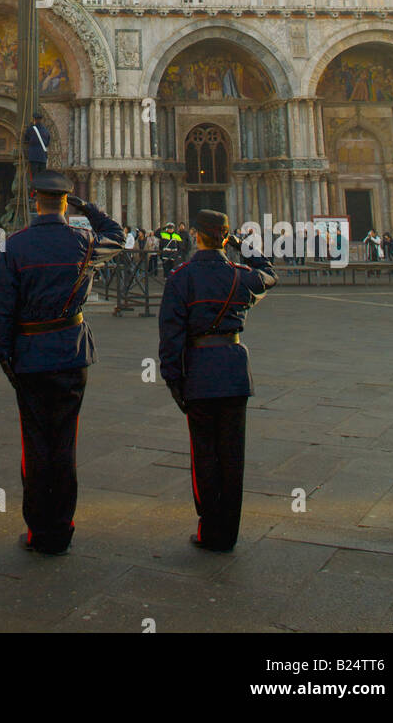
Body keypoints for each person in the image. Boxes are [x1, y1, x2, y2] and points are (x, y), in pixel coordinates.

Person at [0, 171, 124, 556]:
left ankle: (38, 531)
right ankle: (60, 529)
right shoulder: (84, 242)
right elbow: (118, 235)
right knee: (64, 444)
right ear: (66, 202)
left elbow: (2, 309)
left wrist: (4, 355)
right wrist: (89, 208)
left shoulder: (16, 246)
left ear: (34, 200)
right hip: (70, 353)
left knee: (35, 445)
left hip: (30, 356)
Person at [159, 209, 276, 553]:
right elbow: (269, 275)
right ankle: (229, 532)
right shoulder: (240, 276)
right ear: (226, 237)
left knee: (205, 455)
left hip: (198, 372)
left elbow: (170, 335)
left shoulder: (181, 277)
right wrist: (245, 249)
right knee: (232, 454)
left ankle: (210, 529)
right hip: (234, 372)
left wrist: (172, 379)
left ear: (195, 235)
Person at [23, 113, 50, 184]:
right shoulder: (46, 131)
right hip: (43, 158)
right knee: (42, 177)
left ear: (34, 120)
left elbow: (26, 138)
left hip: (34, 157)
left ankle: (35, 191)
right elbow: (47, 143)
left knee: (34, 177)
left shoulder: (31, 129)